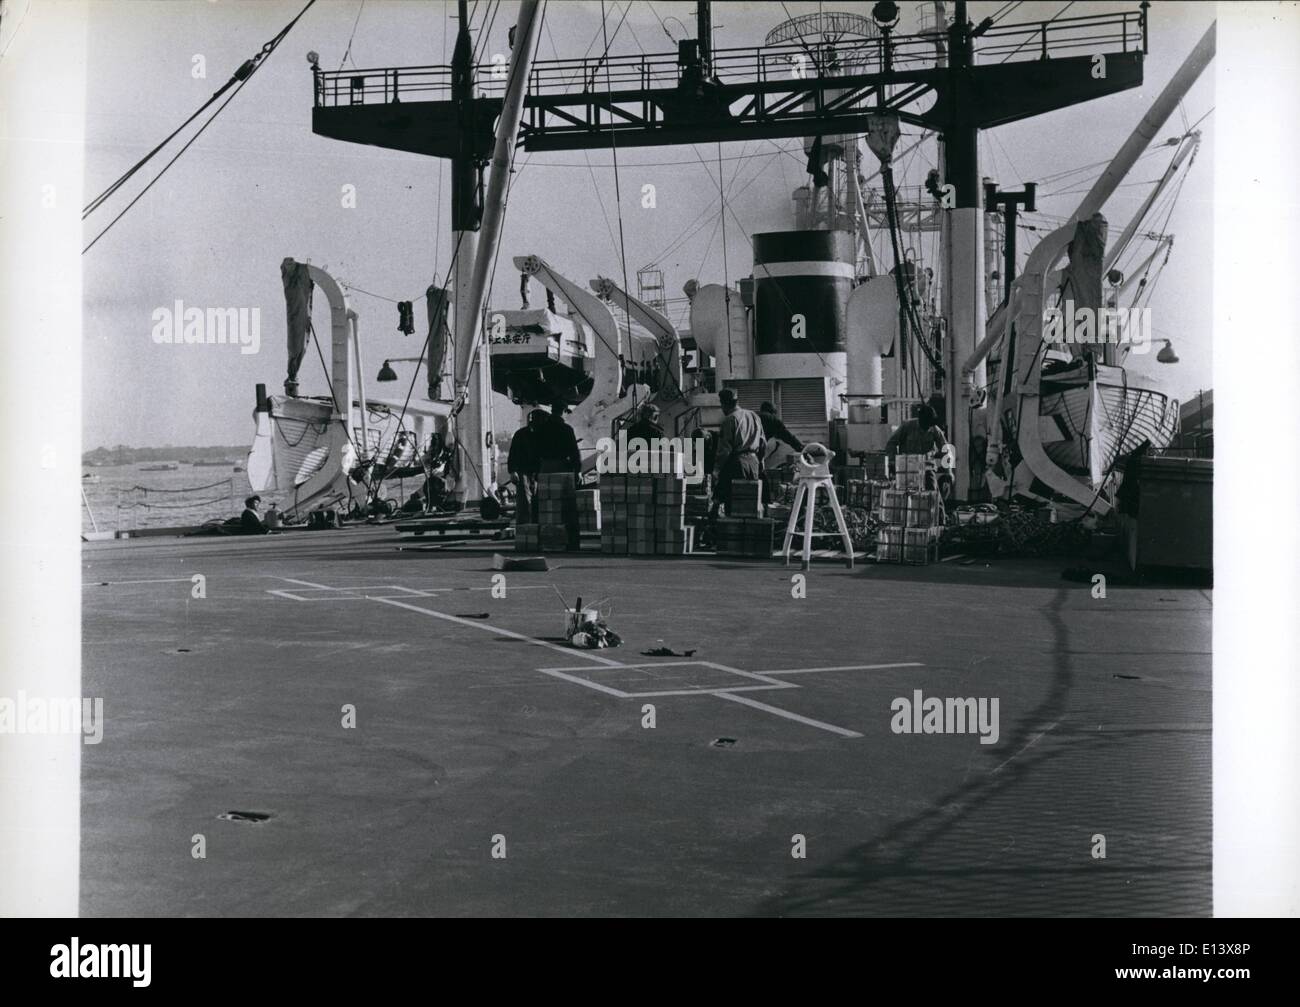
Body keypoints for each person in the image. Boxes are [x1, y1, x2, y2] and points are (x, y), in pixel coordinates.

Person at [710, 387, 765, 521]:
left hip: (737, 463)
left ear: (723, 403)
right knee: (750, 505)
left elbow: (725, 450)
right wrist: (760, 463)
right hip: (753, 463)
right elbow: (763, 443)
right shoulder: (754, 416)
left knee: (734, 507)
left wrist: (716, 471)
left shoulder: (730, 419)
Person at [507, 411, 543, 524]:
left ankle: (534, 527)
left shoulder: (540, 434)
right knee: (524, 503)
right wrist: (513, 471)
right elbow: (513, 454)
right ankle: (525, 528)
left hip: (536, 472)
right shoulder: (521, 434)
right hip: (523, 472)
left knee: (536, 502)